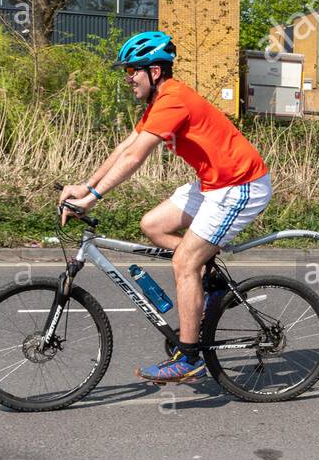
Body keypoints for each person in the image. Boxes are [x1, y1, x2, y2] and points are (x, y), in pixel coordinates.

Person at [57, 31, 272, 383]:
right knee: (153, 225)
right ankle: (209, 278)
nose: (127, 79)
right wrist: (86, 186)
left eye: (132, 71)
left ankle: (190, 359)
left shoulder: (173, 99)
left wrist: (91, 200)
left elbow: (135, 159)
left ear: (154, 72)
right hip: (213, 183)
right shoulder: (159, 103)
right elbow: (126, 146)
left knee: (184, 261)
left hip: (240, 186)